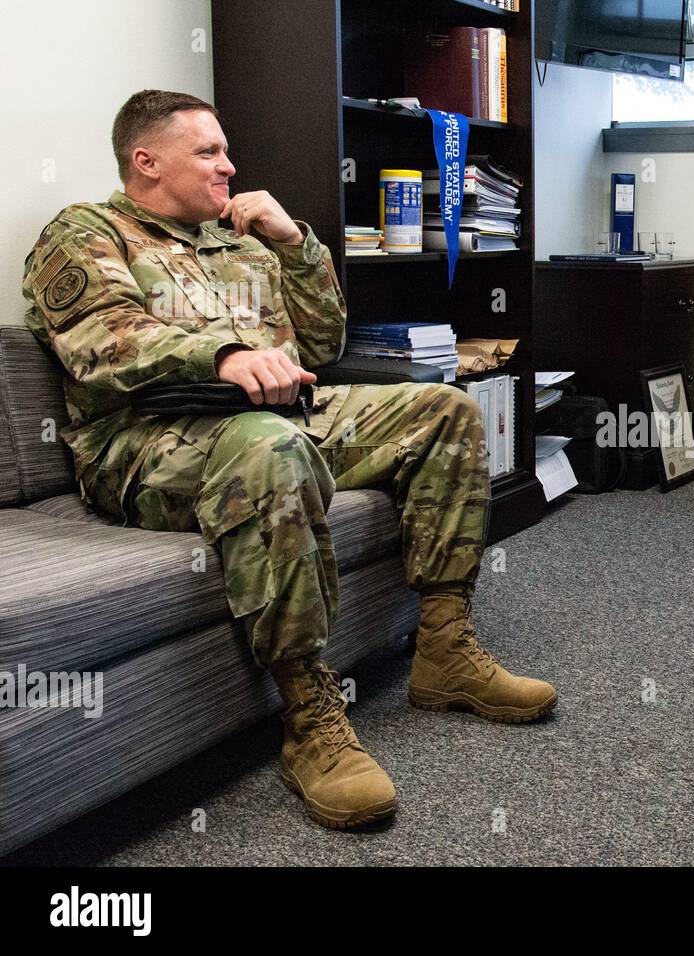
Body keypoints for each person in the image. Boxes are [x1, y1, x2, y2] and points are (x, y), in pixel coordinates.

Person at [22, 90, 557, 830]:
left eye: (225, 150)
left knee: (446, 411)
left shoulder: (237, 240)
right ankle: (311, 716)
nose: (229, 165)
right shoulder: (85, 233)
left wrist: (295, 242)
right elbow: (104, 344)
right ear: (145, 161)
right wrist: (225, 353)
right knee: (272, 448)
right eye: (208, 151)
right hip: (143, 443)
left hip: (274, 417)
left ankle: (444, 651)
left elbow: (324, 343)